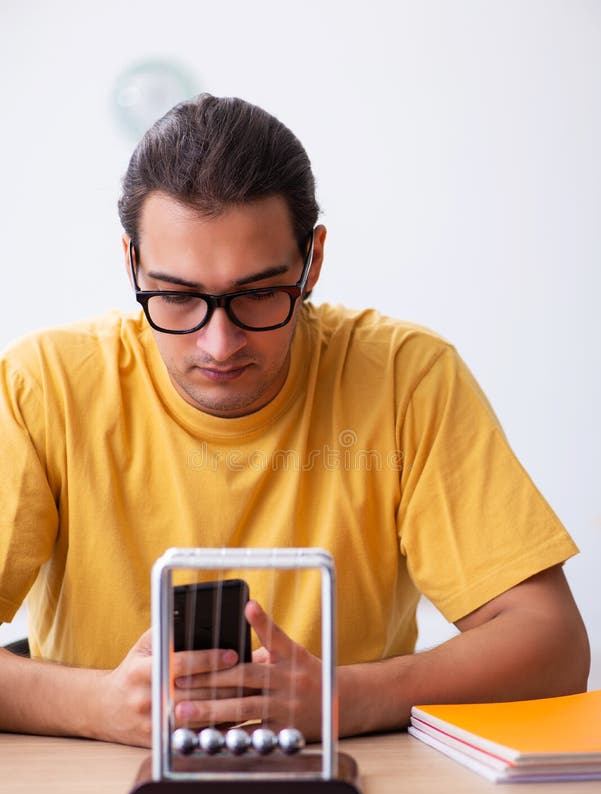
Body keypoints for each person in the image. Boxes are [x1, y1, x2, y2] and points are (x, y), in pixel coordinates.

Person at [0, 94, 589, 749]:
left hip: (352, 790)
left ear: (312, 261)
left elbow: (554, 644)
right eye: (175, 296)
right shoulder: (42, 386)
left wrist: (345, 698)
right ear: (133, 264)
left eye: (257, 294)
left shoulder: (404, 377)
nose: (218, 344)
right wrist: (97, 706)